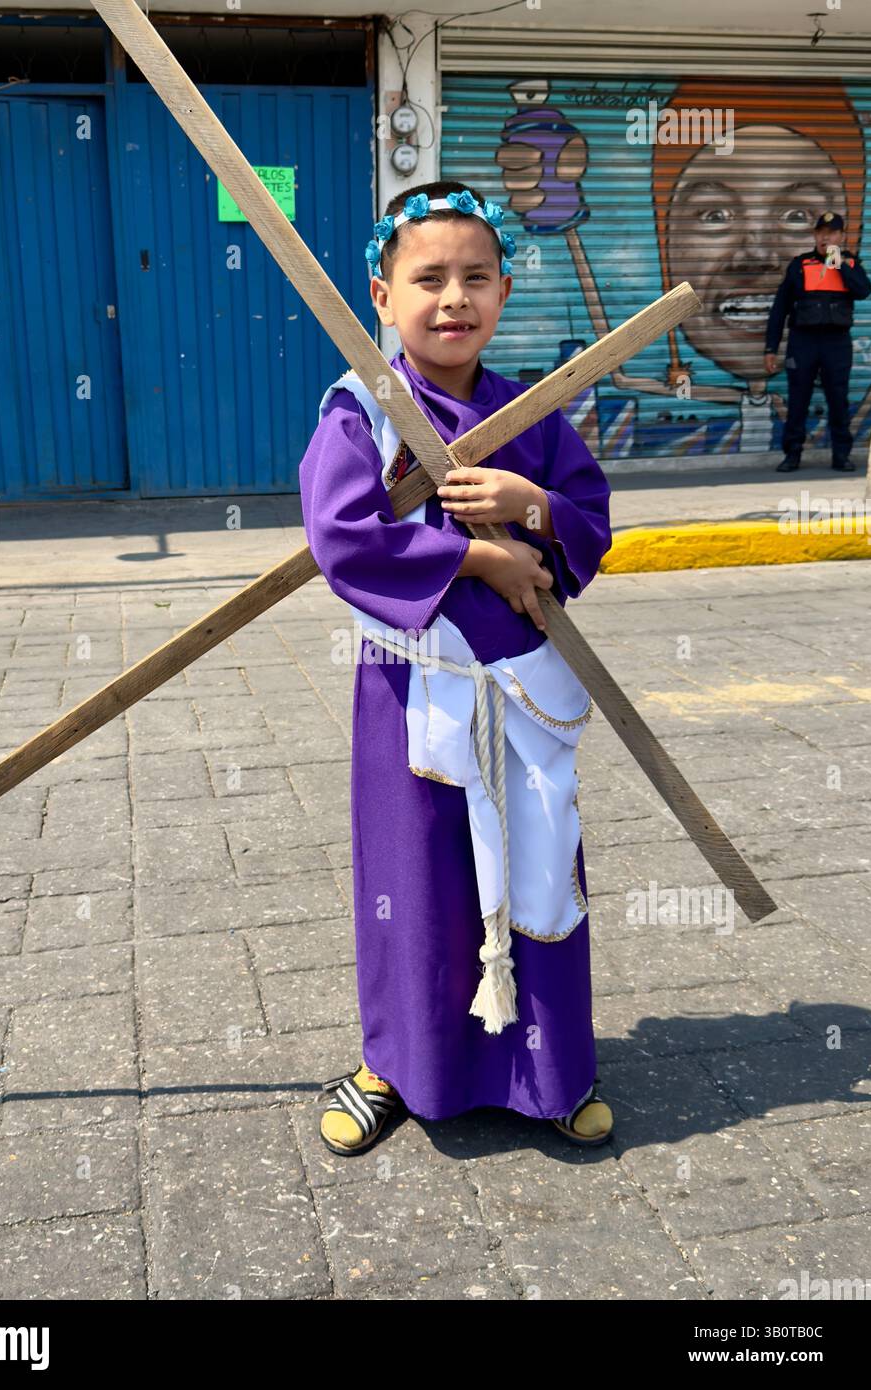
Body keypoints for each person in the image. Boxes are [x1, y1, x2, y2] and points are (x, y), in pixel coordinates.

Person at [298, 179, 614, 1156]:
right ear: (382, 295)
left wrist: (533, 506)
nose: (453, 298)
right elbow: (341, 535)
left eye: (476, 276)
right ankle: (400, 1064)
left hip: (522, 686)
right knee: (416, 876)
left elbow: (588, 517)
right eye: (427, 277)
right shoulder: (361, 411)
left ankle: (550, 1071)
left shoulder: (539, 411)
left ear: (505, 293)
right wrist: (478, 555)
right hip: (411, 694)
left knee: (537, 866)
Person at [765, 211, 871, 472]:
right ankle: (792, 455)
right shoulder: (800, 265)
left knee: (838, 400)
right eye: (822, 232)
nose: (827, 237)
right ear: (814, 235)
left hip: (836, 342)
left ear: (841, 236)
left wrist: (840, 264)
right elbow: (780, 308)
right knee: (798, 399)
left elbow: (863, 291)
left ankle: (841, 455)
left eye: (833, 232)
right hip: (803, 342)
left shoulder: (851, 264)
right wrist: (771, 347)